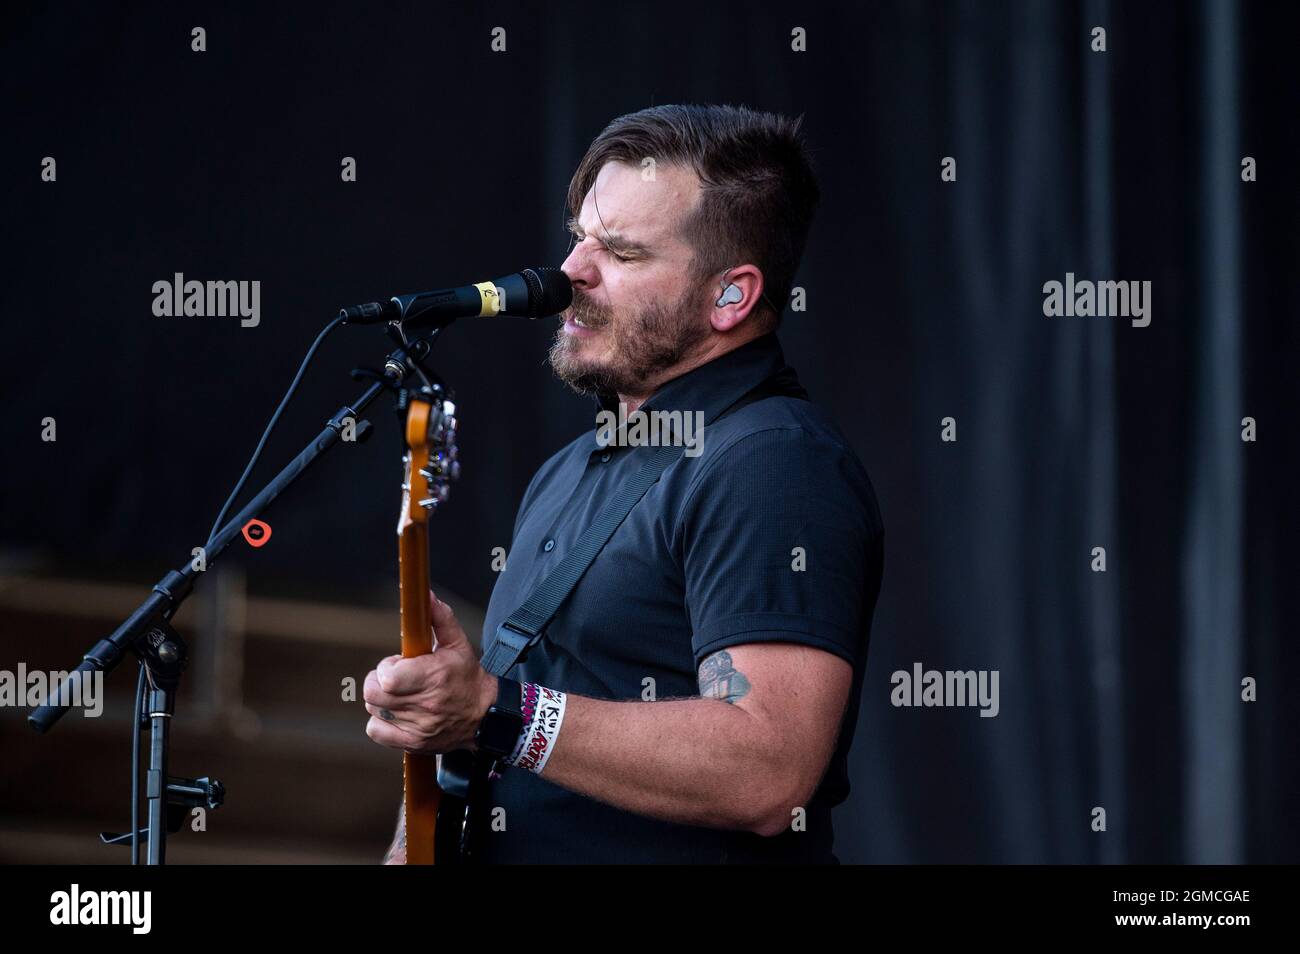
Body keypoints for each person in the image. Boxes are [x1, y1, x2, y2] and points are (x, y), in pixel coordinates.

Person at [365, 103, 883, 863]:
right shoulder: (572, 468)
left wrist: (493, 709)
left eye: (622, 253)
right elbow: (477, 760)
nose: (571, 272)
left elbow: (767, 766)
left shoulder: (773, 463)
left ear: (731, 296)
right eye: (578, 238)